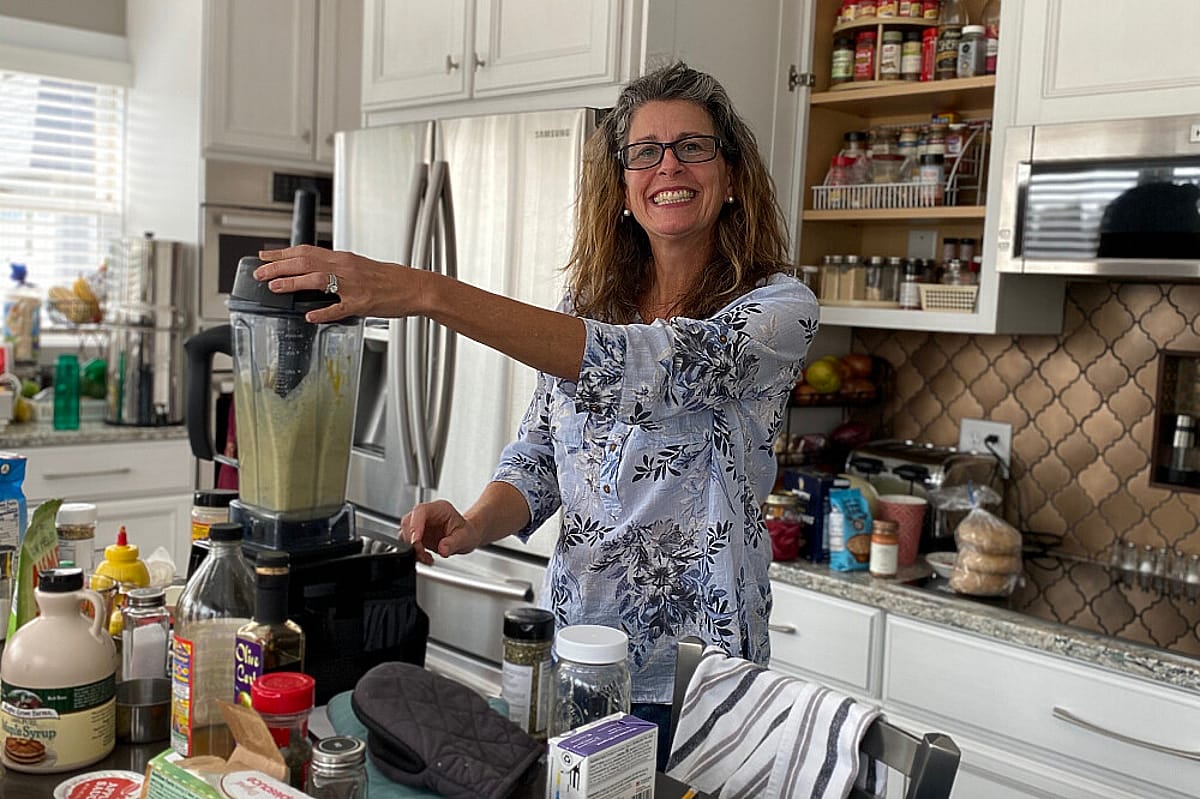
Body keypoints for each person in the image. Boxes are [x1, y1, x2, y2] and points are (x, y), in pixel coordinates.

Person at [254, 62, 819, 766]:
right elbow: (541, 455)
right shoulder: (585, 306)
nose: (667, 164)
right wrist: (477, 517)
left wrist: (427, 291)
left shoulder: (778, 311)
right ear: (621, 188)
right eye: (644, 151)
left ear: (730, 175)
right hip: (570, 660)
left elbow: (639, 364)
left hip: (698, 685)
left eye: (692, 146)